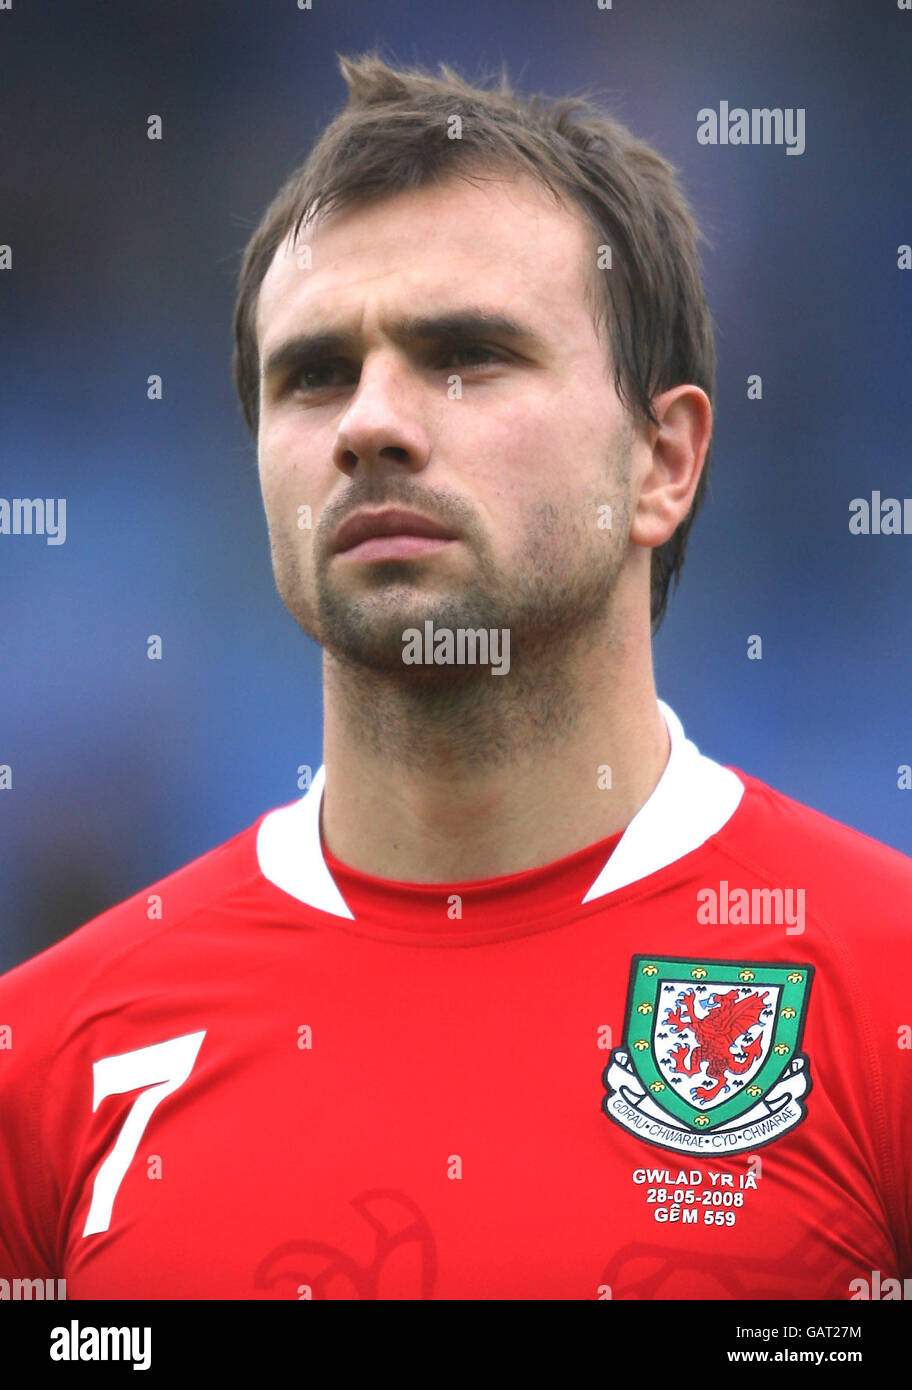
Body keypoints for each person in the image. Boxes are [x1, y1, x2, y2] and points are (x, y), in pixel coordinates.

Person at [1, 52, 909, 1302]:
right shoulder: (47, 1060)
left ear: (664, 461)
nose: (370, 420)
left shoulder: (885, 994)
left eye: (466, 354)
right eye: (312, 374)